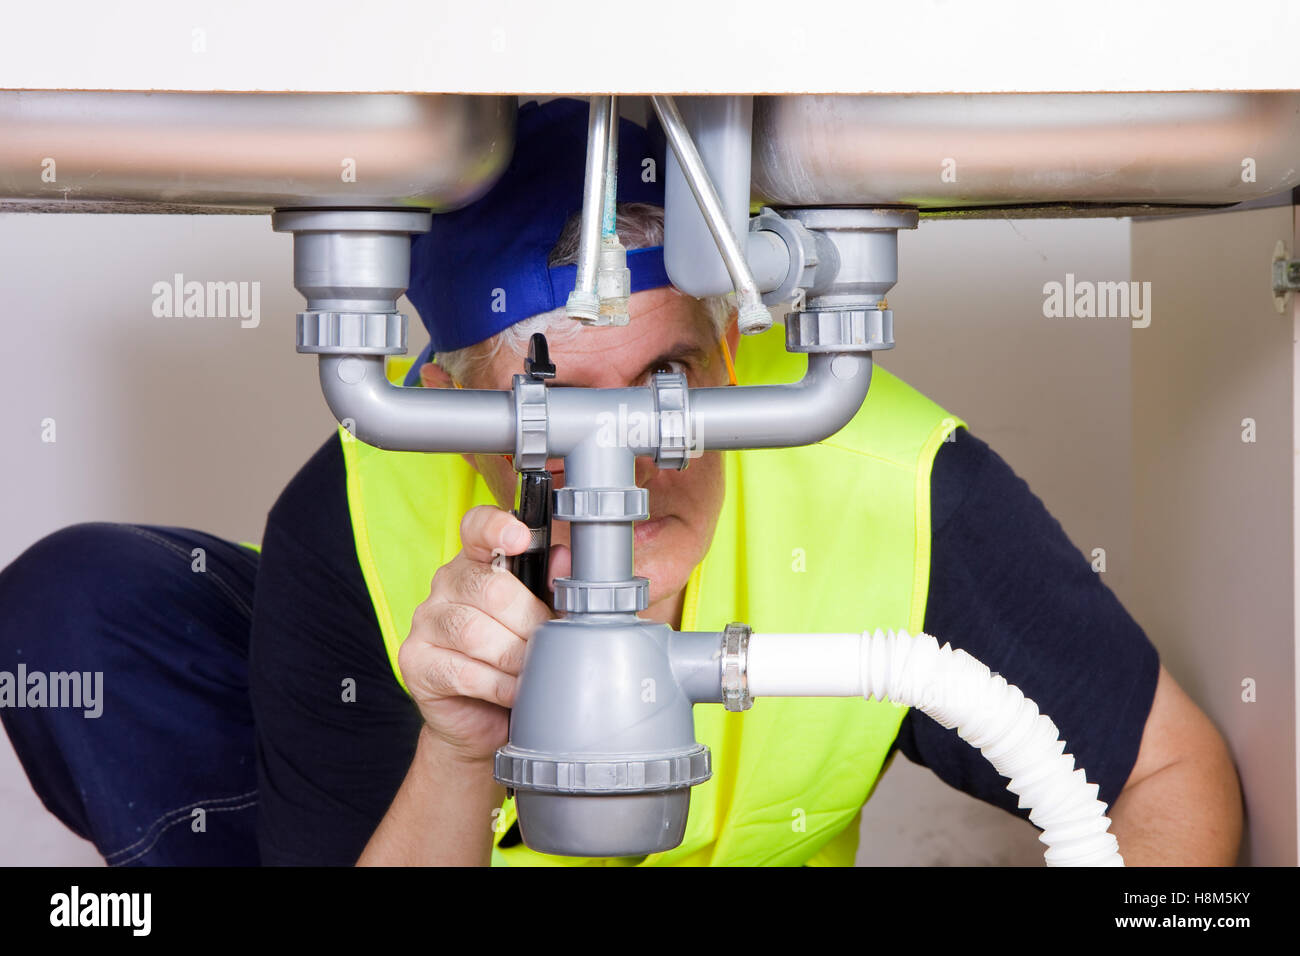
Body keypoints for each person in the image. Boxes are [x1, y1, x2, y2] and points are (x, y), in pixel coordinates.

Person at [0, 98, 1242, 866]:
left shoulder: (889, 479)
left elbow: (1166, 770)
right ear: (439, 398)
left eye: (672, 378)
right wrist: (454, 748)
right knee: (81, 606)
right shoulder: (357, 516)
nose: (625, 463)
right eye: (548, 402)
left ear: (743, 352)